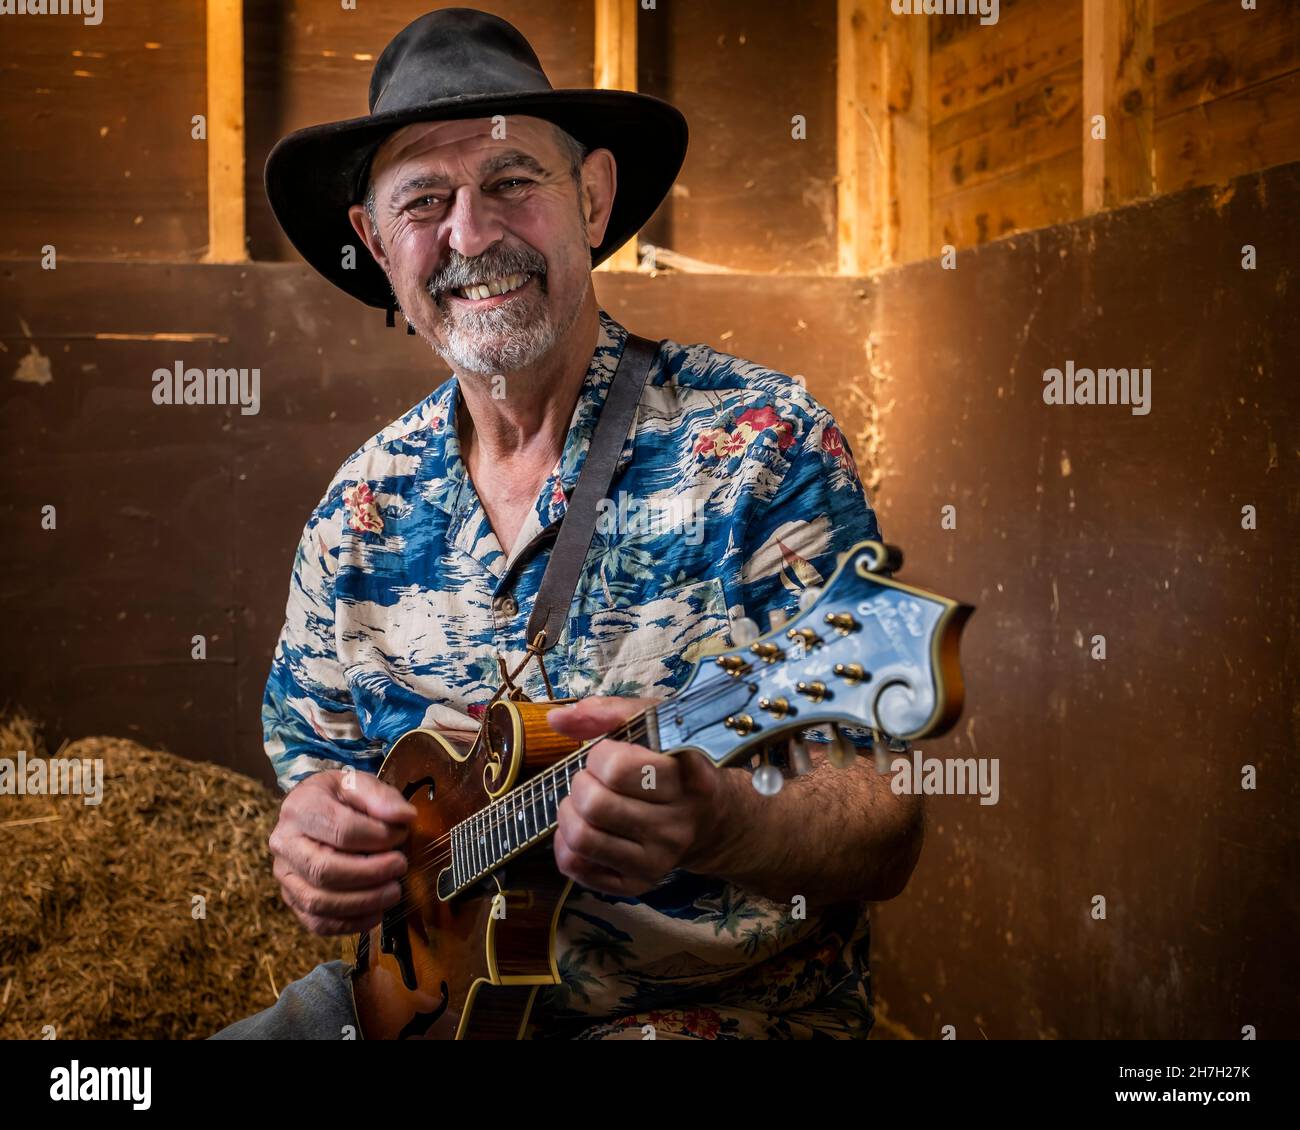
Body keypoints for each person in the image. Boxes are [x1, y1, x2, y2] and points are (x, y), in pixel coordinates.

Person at [211, 7, 922, 1041]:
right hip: (418, 1000)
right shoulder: (357, 510)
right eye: (423, 200)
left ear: (590, 197)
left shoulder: (764, 446)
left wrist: (727, 822)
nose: (470, 233)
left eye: (511, 181)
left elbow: (887, 813)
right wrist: (311, 846)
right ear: (376, 243)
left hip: (710, 1011)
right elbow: (315, 774)